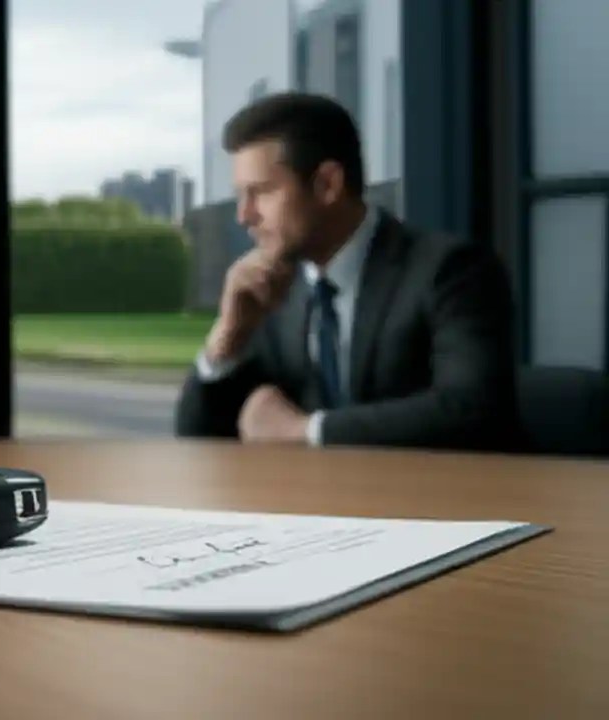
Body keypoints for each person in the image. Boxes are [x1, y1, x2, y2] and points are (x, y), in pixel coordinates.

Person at [174, 92, 518, 451]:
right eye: (240, 196)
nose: (244, 216)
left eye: (261, 192)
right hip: (313, 503)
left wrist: (306, 430)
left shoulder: (452, 270)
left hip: (436, 501)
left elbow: (473, 412)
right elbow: (198, 439)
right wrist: (226, 338)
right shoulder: (272, 291)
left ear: (327, 184)